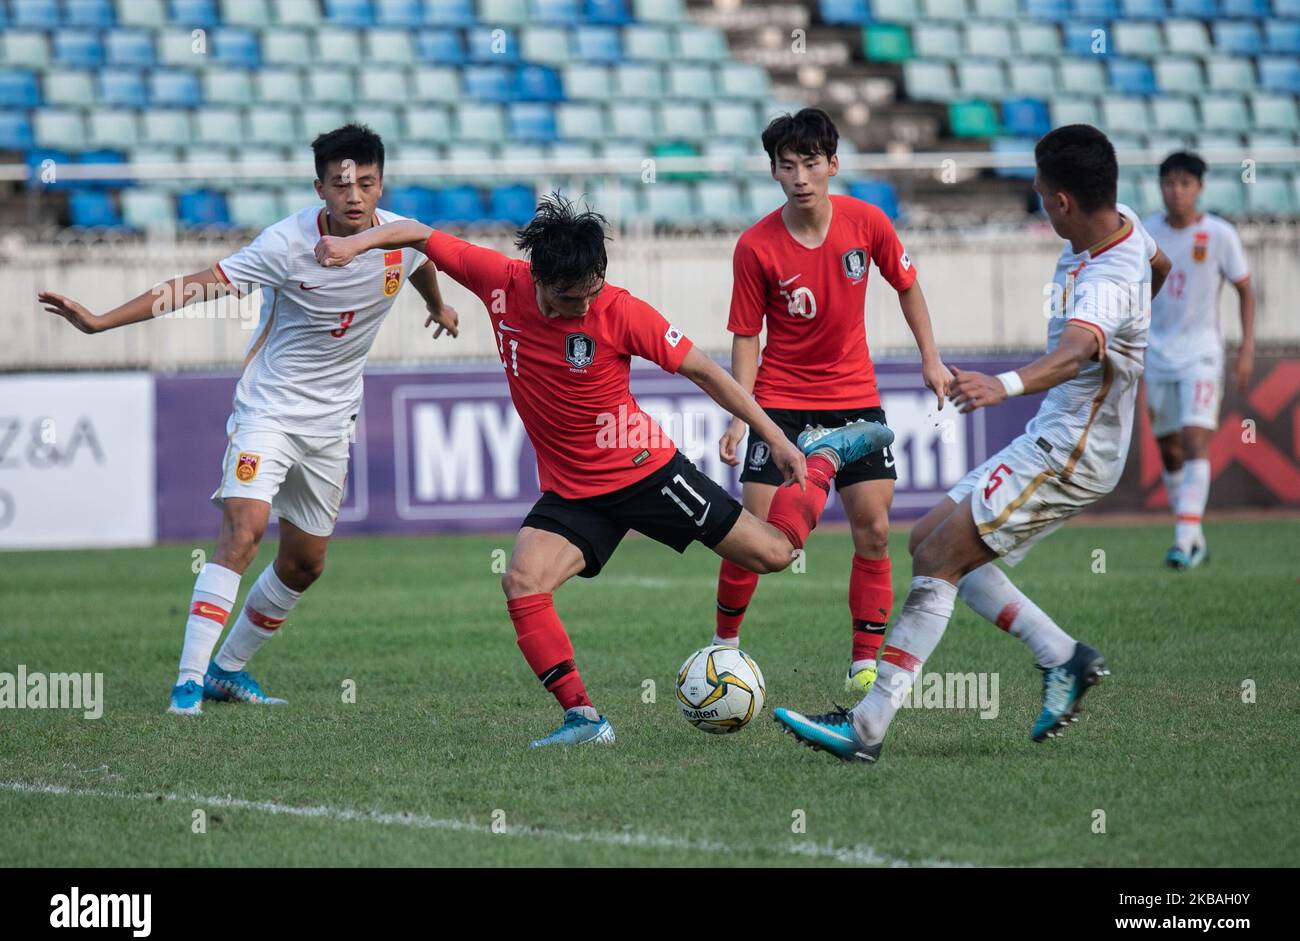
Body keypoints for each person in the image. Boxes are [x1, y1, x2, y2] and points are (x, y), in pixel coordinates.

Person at [315, 194, 894, 748]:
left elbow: (707, 373)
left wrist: (780, 442)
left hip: (646, 472)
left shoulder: (620, 310)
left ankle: (823, 458)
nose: (584, 306)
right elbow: (418, 232)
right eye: (571, 298)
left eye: (592, 291)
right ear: (537, 280)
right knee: (522, 581)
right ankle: (583, 718)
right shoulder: (497, 280)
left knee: (775, 555)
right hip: (574, 489)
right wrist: (355, 246)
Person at [773, 125, 1171, 761]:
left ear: (1064, 202)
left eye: (1042, 195)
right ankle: (1064, 657)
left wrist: (1003, 384)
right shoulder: (1123, 226)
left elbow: (1075, 351)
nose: (1041, 204)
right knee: (927, 537)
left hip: (1073, 451)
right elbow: (1161, 268)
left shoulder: (1105, 281)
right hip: (1056, 434)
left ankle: (866, 728)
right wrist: (1133, 337)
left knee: (938, 561)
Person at [39, 124, 461, 715]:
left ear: (380, 183)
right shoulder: (283, 244)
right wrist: (102, 322)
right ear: (320, 188)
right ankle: (186, 685)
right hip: (270, 408)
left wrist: (437, 304)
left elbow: (417, 263)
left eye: (366, 182)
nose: (355, 195)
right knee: (244, 532)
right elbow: (194, 287)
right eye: (341, 184)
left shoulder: (401, 237)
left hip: (332, 423)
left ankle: (226, 671)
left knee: (305, 564)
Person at [712, 108, 950, 697]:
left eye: (811, 163)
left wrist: (931, 358)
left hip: (854, 401)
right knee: (754, 533)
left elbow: (907, 284)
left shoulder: (868, 223)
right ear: (772, 171)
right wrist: (742, 419)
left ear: (833, 165)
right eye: (787, 165)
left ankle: (864, 662)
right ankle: (723, 650)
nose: (800, 176)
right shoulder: (755, 247)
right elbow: (748, 335)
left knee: (872, 530)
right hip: (780, 405)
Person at [1143, 151, 1254, 570]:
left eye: (1185, 183)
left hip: (1202, 352)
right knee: (1170, 451)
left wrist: (1245, 349)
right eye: (1169, 183)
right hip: (1156, 353)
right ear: (1161, 187)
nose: (1177, 191)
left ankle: (1183, 542)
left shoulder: (1221, 235)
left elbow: (1245, 289)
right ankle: (1195, 537)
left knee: (1194, 440)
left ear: (1200, 188)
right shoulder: (1147, 232)